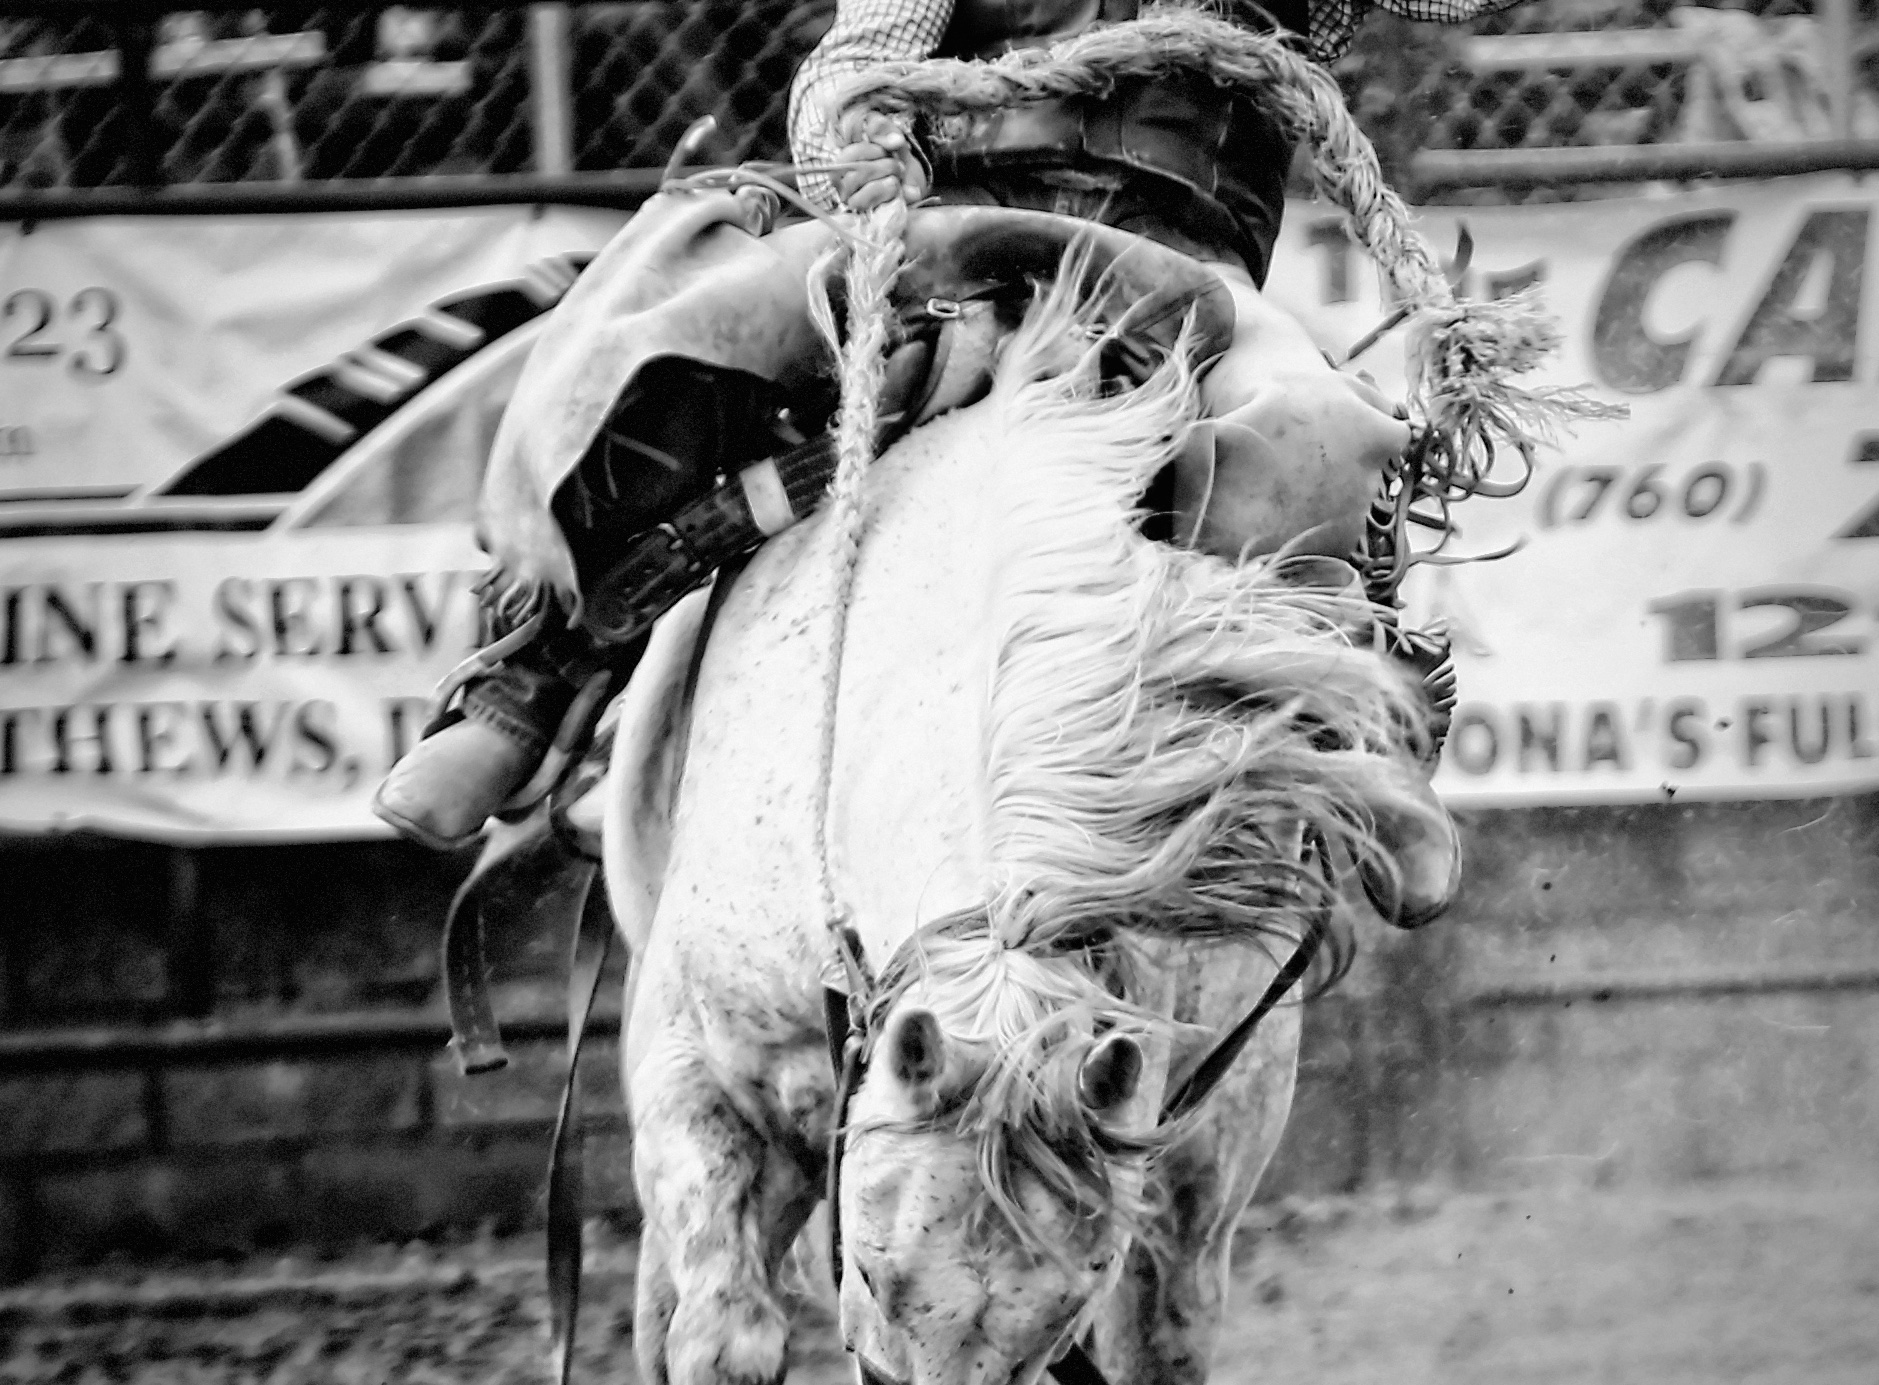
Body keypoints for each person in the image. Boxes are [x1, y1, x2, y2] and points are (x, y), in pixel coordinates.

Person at [373, 0, 1513, 920]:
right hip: (950, 249)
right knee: (663, 340)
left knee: (1319, 432)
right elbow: (848, 74)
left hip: (1180, 289)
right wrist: (851, 151)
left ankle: (1354, 744)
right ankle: (536, 672)